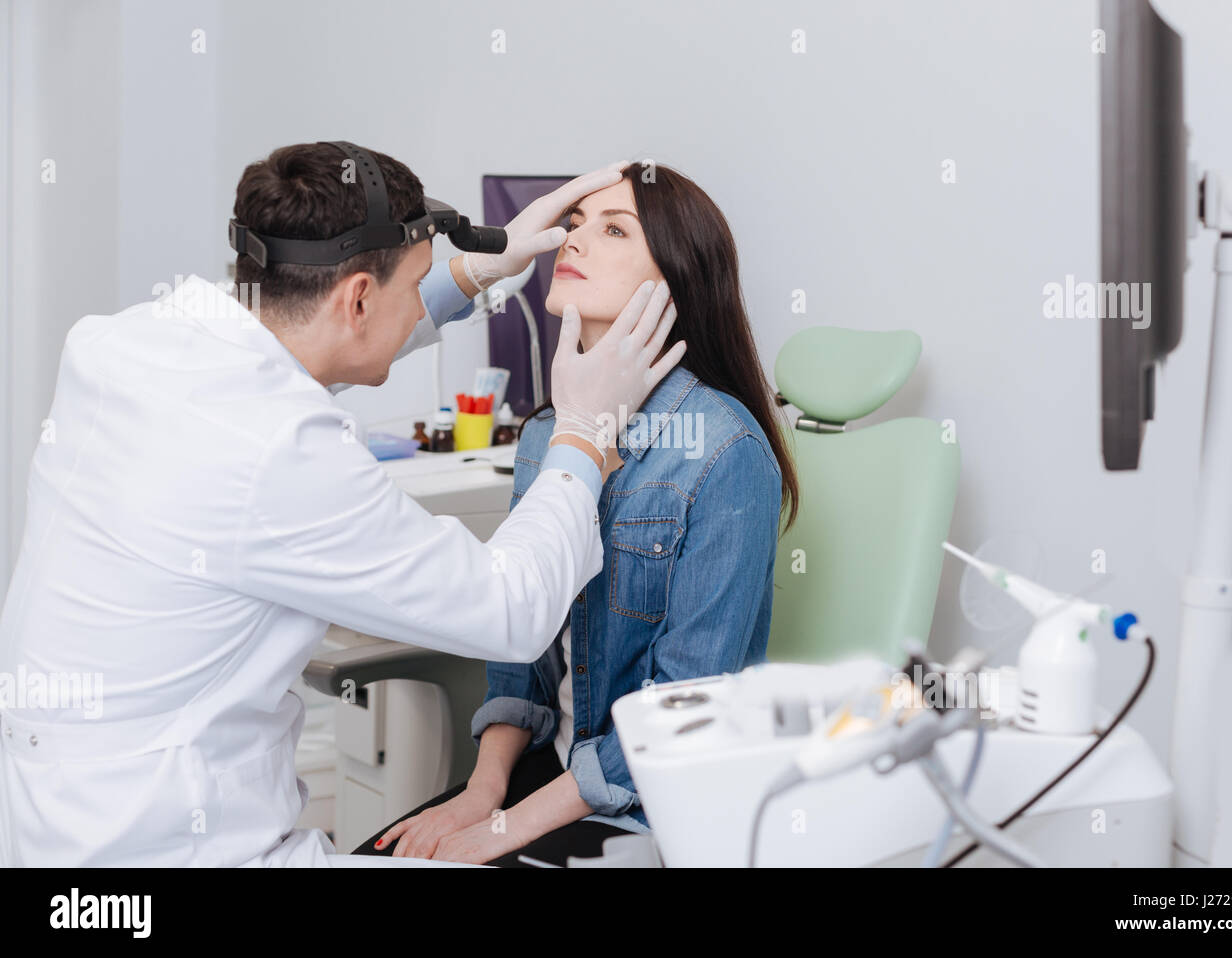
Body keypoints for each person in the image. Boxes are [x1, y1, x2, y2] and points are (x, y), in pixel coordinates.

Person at [0, 143, 684, 867]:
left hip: (56, 833)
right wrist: (583, 432)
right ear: (358, 297)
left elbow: (312, 345)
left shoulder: (120, 344)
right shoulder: (280, 453)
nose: (578, 240)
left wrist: (475, 271)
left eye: (614, 230)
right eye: (416, 287)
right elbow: (509, 612)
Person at [357, 163, 799, 866]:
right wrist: (482, 792)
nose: (574, 241)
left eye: (614, 228)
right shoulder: (549, 436)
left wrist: (504, 830)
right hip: (548, 776)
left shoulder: (723, 452)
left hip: (654, 805)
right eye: (575, 223)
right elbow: (518, 656)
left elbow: (680, 714)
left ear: (676, 279)